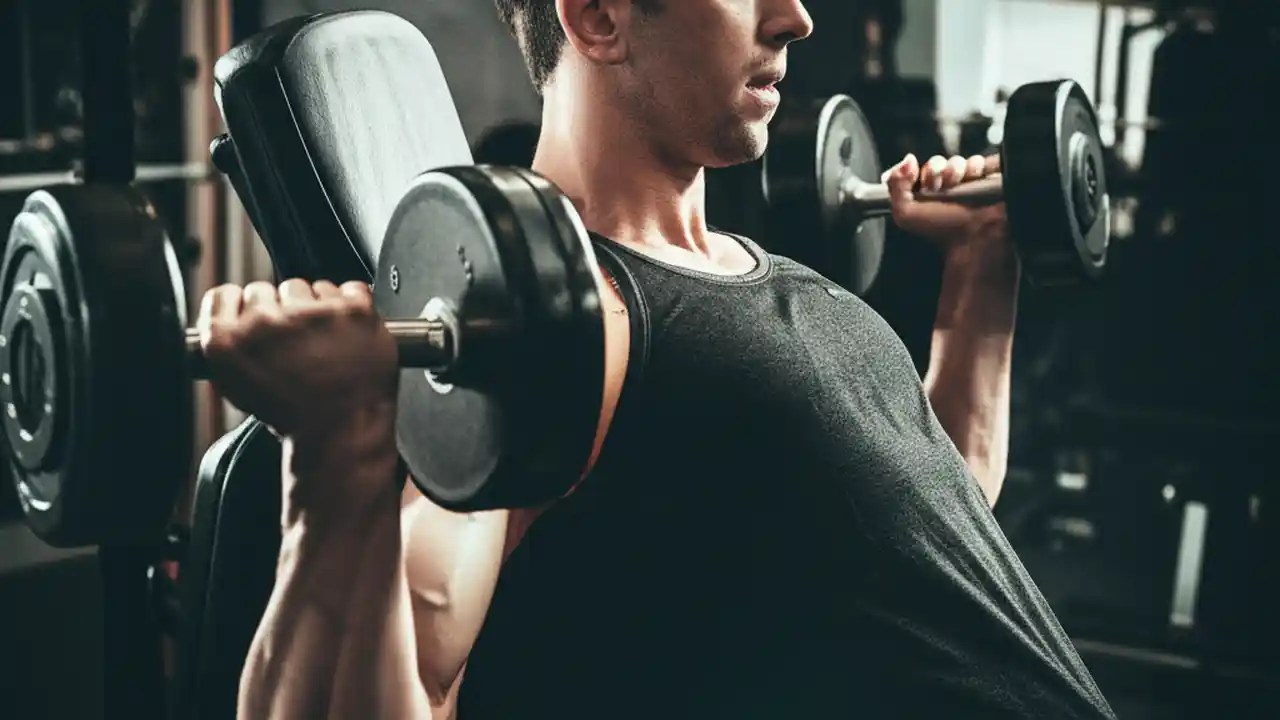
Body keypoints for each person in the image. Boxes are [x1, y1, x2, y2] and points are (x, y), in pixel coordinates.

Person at [201, 1, 1117, 718]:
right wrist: (334, 463)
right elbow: (423, 690)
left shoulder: (778, 275)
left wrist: (983, 265)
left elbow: (943, 512)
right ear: (597, 15)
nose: (794, 15)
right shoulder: (551, 337)